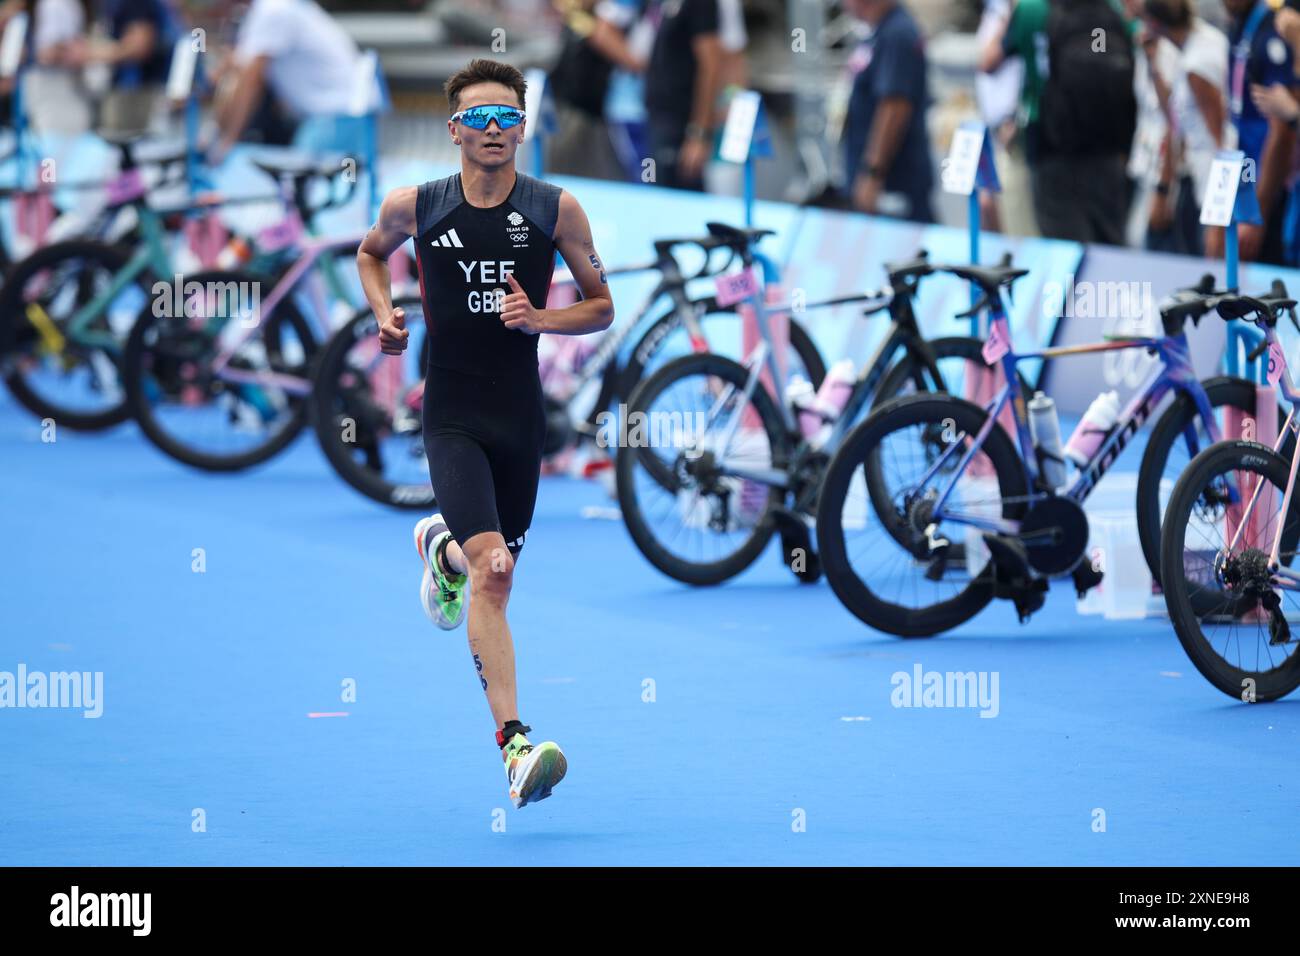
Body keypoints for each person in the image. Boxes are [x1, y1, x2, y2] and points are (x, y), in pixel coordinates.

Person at [355, 59, 614, 809]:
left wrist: (541, 317)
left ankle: (442, 551)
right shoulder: (417, 206)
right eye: (481, 117)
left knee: (491, 568)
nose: (494, 130)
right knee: (495, 572)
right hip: (454, 416)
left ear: (523, 129)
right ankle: (515, 748)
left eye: (508, 117)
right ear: (455, 129)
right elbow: (371, 254)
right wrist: (383, 313)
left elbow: (599, 306)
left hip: (519, 420)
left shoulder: (555, 209)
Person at [984, 0, 1137, 244]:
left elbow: (987, 62)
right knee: (1109, 247)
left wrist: (1008, 13)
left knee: (1064, 250)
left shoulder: (1031, 10)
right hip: (1108, 150)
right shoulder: (1114, 9)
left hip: (1050, 146)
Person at [210, 0, 367, 160]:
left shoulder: (272, 10)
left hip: (335, 115)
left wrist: (228, 139)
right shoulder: (276, 9)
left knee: (299, 180)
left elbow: (250, 81)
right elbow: (241, 69)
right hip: (344, 112)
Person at [1141, 0, 1228, 255]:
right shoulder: (1197, 47)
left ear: (1154, 25)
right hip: (1206, 188)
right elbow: (1175, 118)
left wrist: (1219, 219)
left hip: (1213, 191)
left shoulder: (1196, 67)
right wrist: (1154, 65)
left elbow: (1222, 142)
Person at [1211, 0, 1295, 263]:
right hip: (1239, 177)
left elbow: (1283, 131)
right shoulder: (1239, 27)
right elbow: (1231, 124)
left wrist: (1257, 212)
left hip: (1271, 190)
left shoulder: (1271, 31)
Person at [841, 0, 934, 223]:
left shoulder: (897, 33)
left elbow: (895, 106)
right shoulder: (878, 31)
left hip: (895, 184)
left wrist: (873, 173)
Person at [546, 0, 645, 180]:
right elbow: (599, 34)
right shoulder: (581, 18)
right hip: (572, 105)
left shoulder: (604, 15)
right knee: (564, 172)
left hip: (596, 111)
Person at [643, 0, 724, 190]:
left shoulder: (700, 4)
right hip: (657, 117)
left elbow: (711, 65)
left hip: (681, 124)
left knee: (680, 195)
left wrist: (699, 134)